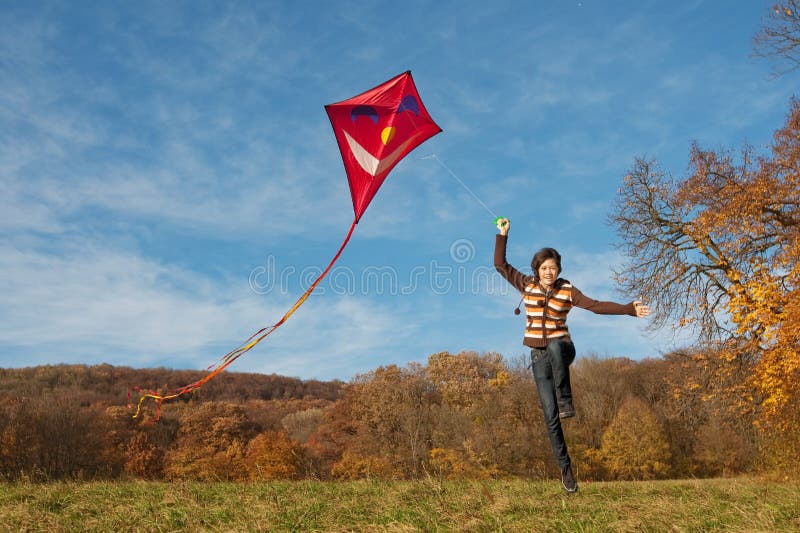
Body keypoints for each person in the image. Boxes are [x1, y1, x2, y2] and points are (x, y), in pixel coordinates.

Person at [493, 217, 650, 493]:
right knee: (550, 417)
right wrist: (502, 235)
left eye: (553, 268)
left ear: (558, 269)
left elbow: (595, 305)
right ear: (537, 269)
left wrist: (628, 309)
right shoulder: (526, 285)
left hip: (563, 349)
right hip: (537, 357)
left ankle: (566, 399)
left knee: (554, 345)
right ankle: (566, 470)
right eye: (544, 268)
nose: (549, 272)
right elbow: (500, 265)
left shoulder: (567, 290)